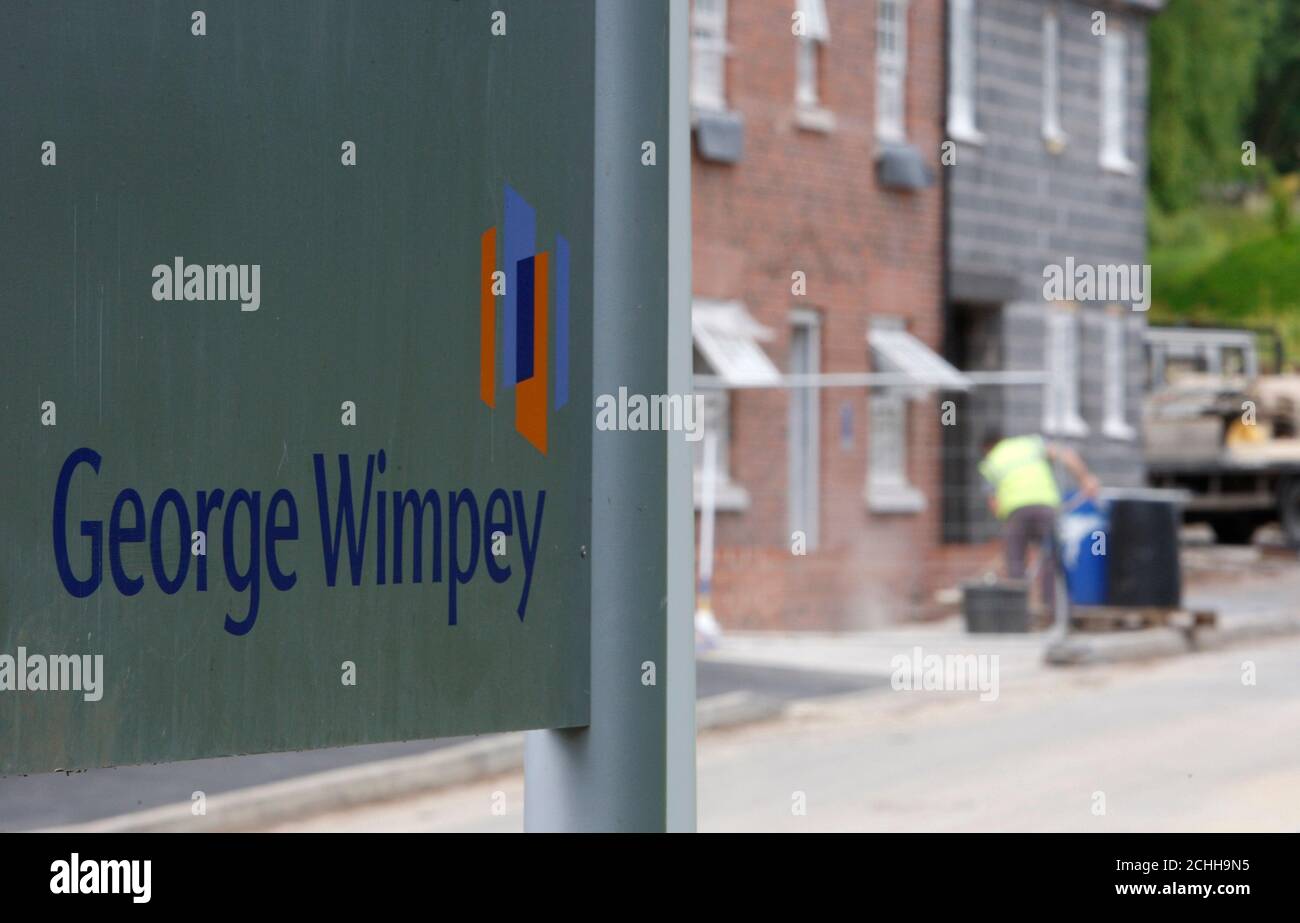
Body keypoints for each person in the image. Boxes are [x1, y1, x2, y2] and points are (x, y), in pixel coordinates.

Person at [978, 429, 1100, 611]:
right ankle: (1055, 612)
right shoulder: (1031, 444)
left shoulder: (990, 461)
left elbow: (994, 502)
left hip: (1015, 512)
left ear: (987, 448)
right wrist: (1085, 478)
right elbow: (1066, 455)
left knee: (1015, 563)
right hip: (1046, 507)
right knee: (1051, 558)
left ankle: (1017, 613)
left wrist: (1007, 526)